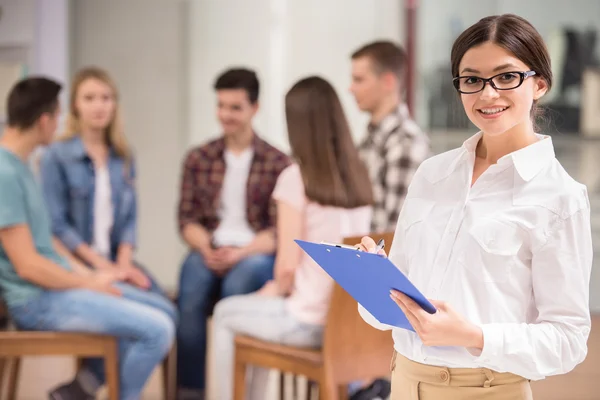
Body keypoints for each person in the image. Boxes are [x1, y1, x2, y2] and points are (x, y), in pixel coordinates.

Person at [358, 14, 592, 400]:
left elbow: (567, 340)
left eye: (506, 77)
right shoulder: (432, 173)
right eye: (472, 80)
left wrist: (472, 336)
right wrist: (372, 280)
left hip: (488, 390)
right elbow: (395, 307)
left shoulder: (560, 197)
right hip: (404, 381)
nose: (487, 94)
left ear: (540, 84)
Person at [0, 77, 174, 400]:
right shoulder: (5, 173)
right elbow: (28, 266)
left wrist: (91, 275)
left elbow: (46, 242)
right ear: (44, 120)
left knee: (161, 313)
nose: (61, 123)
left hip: (56, 286)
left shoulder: (21, 166)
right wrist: (88, 283)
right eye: (59, 115)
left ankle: (82, 390)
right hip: (36, 301)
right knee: (157, 329)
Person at [210, 76, 373, 400]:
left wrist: (271, 292)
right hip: (348, 324)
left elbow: (285, 270)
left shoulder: (295, 178)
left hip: (309, 322)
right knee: (248, 313)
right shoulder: (359, 177)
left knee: (226, 314)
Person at [176, 68, 291, 398]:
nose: (226, 115)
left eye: (235, 107)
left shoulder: (277, 162)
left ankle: (233, 390)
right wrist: (208, 247)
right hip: (208, 248)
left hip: (254, 253)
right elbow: (186, 220)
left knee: (239, 282)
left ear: (254, 108)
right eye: (221, 106)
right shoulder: (198, 158)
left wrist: (240, 253)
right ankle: (191, 391)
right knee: (192, 285)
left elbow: (279, 230)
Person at [39, 66, 175, 308]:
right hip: (76, 264)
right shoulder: (56, 156)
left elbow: (130, 219)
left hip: (115, 260)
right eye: (89, 98)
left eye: (106, 98)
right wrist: (105, 268)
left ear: (114, 105)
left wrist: (122, 266)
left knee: (166, 308)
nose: (99, 106)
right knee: (152, 314)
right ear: (75, 106)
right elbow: (56, 225)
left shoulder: (123, 157)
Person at [350, 40, 430, 233]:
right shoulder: (371, 138)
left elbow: (393, 236)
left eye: (359, 80)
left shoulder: (405, 144)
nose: (351, 88)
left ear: (388, 82)